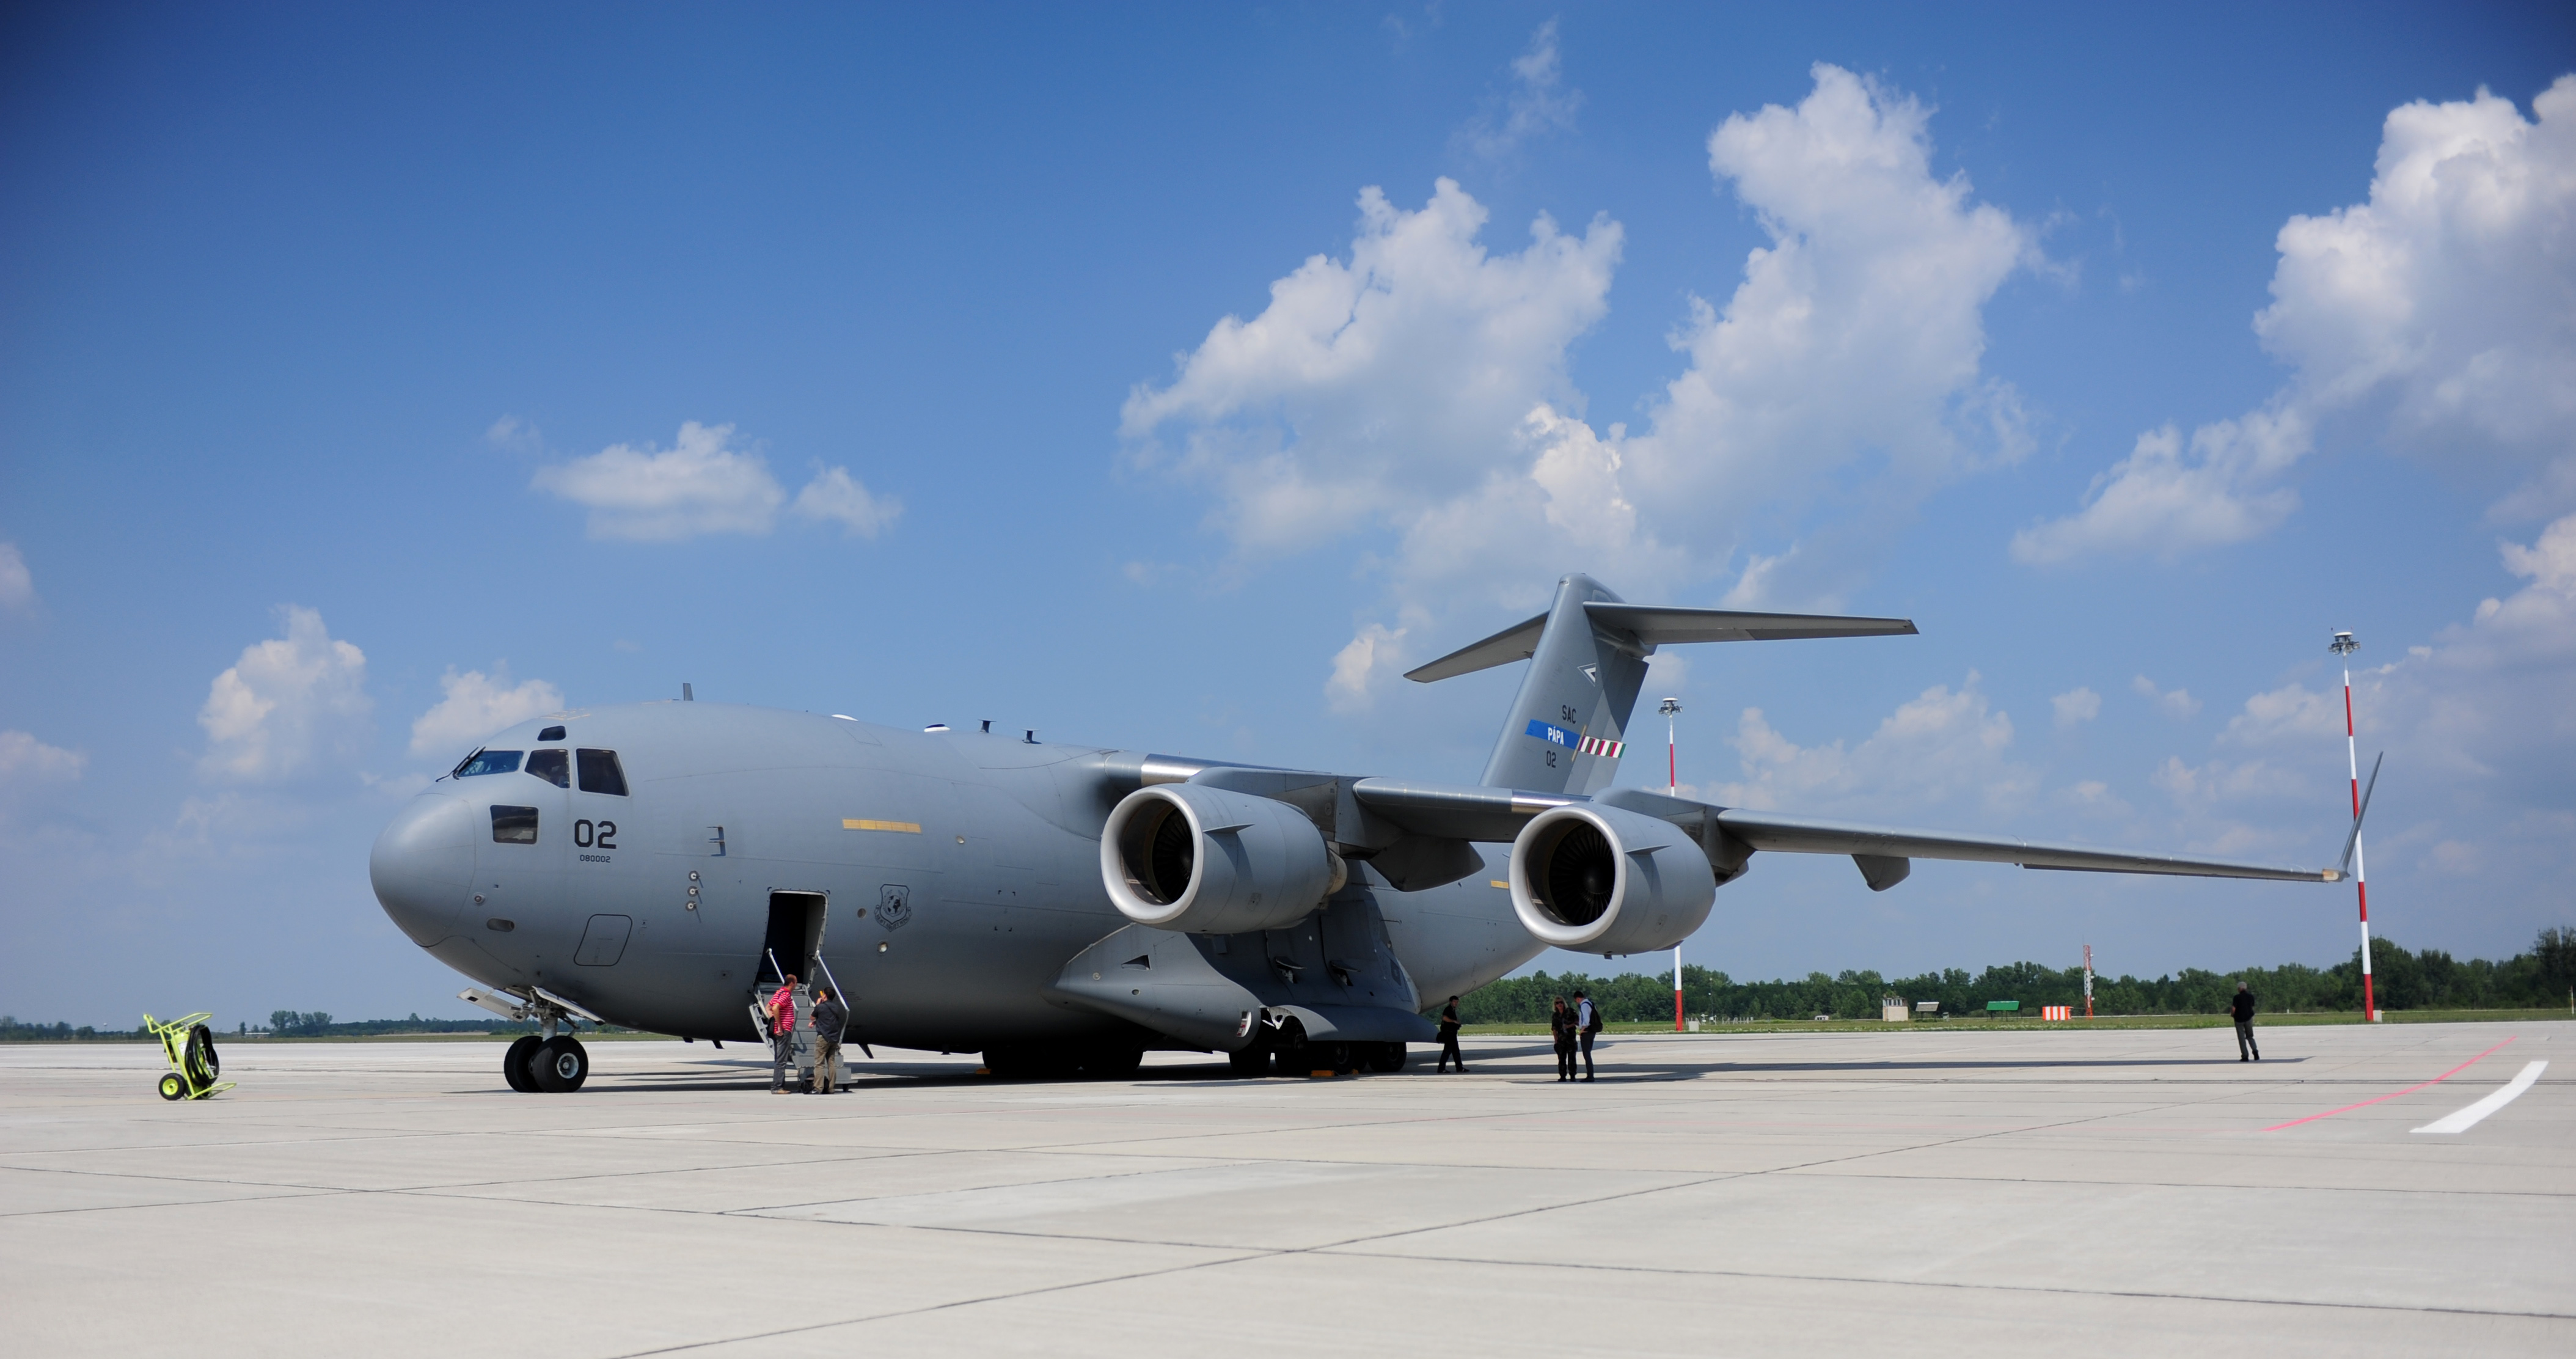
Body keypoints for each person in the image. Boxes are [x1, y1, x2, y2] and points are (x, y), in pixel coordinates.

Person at [764, 972, 800, 1093]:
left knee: (779, 1059)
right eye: (795, 983)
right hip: (784, 1031)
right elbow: (775, 1008)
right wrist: (779, 1025)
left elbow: (768, 1007)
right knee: (781, 1060)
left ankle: (779, 1086)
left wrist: (773, 1020)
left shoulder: (779, 992)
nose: (796, 985)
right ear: (791, 983)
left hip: (778, 1031)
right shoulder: (786, 995)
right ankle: (777, 1087)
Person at [809, 986, 847, 1094]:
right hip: (834, 1038)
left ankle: (818, 1088)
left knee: (819, 1063)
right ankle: (831, 1088)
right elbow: (827, 1019)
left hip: (823, 1038)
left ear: (824, 995)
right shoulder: (836, 1007)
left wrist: (817, 1004)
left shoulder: (820, 1007)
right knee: (831, 1063)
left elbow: (812, 1017)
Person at [2230, 982, 2260, 1061]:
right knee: (2250, 1036)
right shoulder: (2251, 997)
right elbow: (2252, 1006)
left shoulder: (2236, 997)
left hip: (2239, 1020)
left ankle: (2245, 1056)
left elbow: (2234, 1009)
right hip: (2249, 1018)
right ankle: (2255, 1051)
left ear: (2240, 988)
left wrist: (2232, 1015)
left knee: (2242, 1039)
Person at [1575, 989, 1601, 1082]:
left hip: (1587, 1031)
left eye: (1576, 1000)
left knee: (1587, 1054)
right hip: (1592, 1031)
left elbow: (1586, 1020)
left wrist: (1581, 1031)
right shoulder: (1591, 1004)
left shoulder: (1584, 1005)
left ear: (1578, 999)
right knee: (1588, 1053)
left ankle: (1590, 1076)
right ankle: (1590, 1074)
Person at [1435, 996, 1466, 1074]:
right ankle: (1441, 1069)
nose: (1456, 1003)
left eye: (1457, 1002)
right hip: (1448, 1034)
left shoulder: (1453, 1010)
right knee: (1447, 1052)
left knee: (1456, 1052)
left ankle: (1460, 1068)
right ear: (1450, 1002)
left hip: (1453, 1034)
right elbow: (1444, 1018)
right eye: (1454, 1002)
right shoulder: (1448, 1009)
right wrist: (1454, 1021)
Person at [1550, 997, 1576, 1082]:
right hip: (1561, 1040)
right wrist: (1556, 1040)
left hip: (1570, 1039)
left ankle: (1573, 1075)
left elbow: (1578, 1022)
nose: (1560, 1004)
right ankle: (1562, 1076)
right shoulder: (1555, 1016)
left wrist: (1568, 1026)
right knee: (1561, 1059)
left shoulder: (1570, 1012)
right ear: (1555, 1005)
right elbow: (1554, 1029)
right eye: (1557, 1003)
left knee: (1572, 1058)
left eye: (1561, 1002)